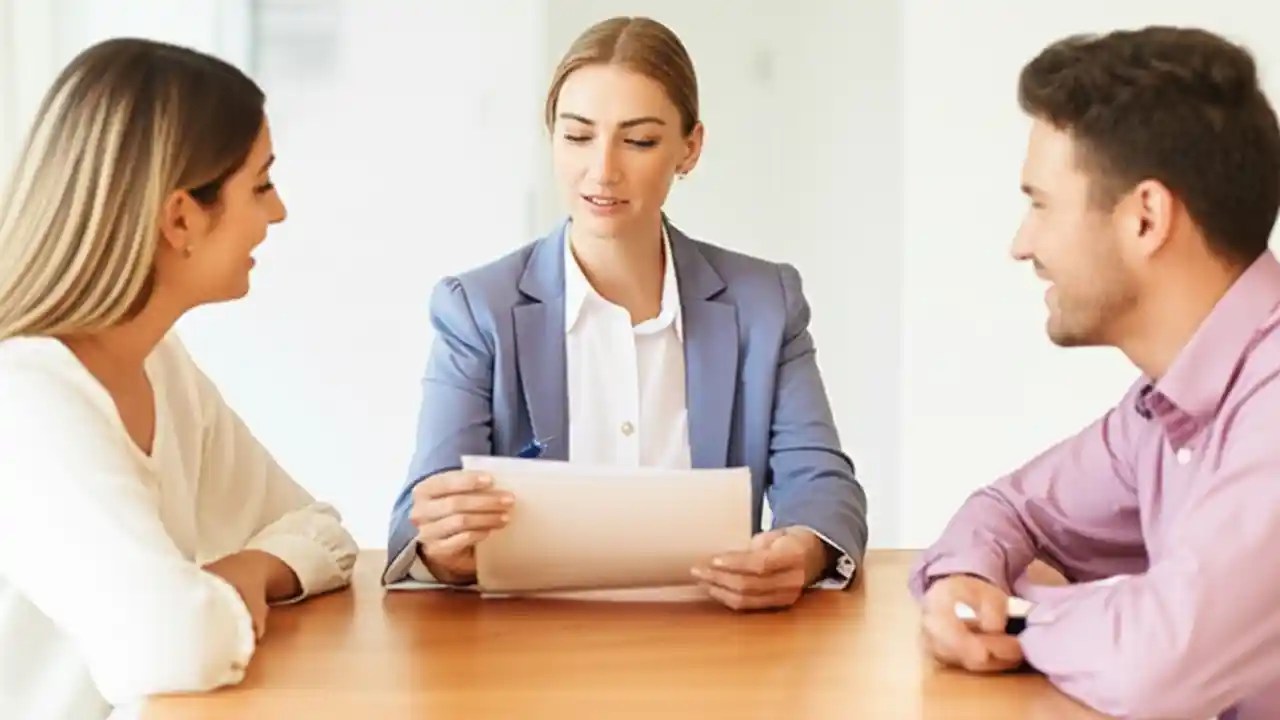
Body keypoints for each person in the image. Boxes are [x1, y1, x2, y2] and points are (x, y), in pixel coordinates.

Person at [384, 16, 867, 610]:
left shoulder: (765, 302)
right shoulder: (476, 309)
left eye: (638, 140)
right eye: (578, 136)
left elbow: (821, 485)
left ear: (690, 149)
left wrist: (802, 550)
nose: (603, 170)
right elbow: (417, 521)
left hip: (718, 645)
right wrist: (444, 550)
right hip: (528, 657)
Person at [909, 26, 1280, 719]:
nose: (1022, 245)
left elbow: (1159, 663)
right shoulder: (1161, 410)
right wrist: (964, 580)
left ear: (1144, 219)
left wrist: (1012, 615)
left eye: (1041, 203)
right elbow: (1010, 510)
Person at [0, 38, 358, 720]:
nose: (277, 212)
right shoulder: (25, 399)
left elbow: (320, 531)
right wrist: (206, 600)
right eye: (260, 185)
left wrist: (245, 571)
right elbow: (170, 644)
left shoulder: (161, 365)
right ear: (181, 218)